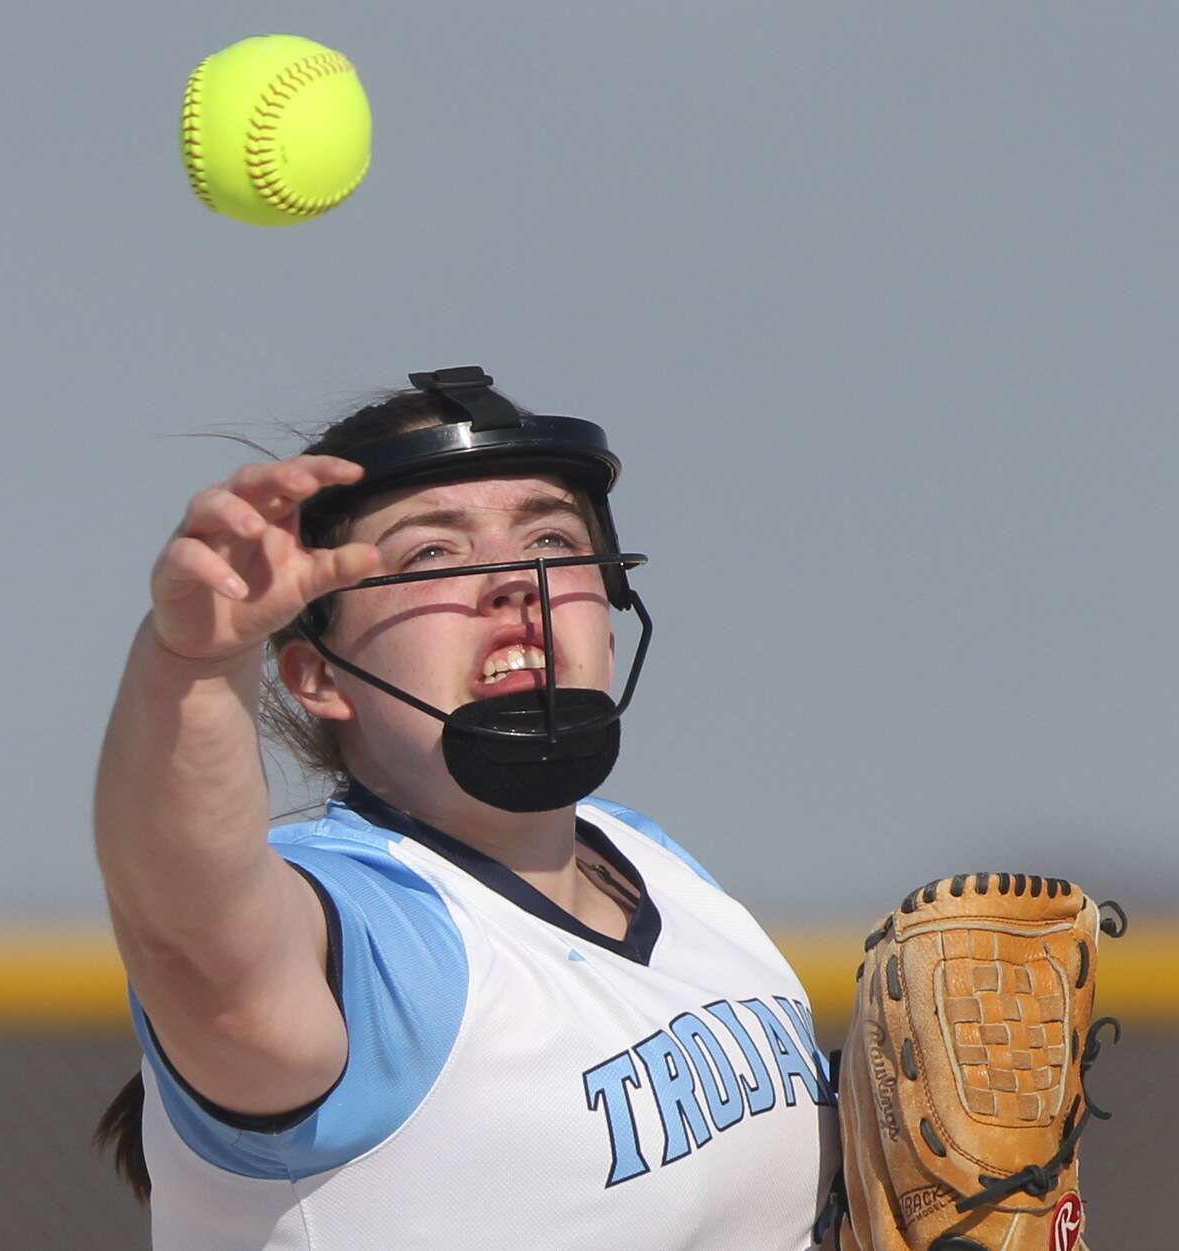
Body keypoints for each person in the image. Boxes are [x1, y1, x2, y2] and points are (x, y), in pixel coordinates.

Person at [93, 366, 840, 1250]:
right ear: (317, 675)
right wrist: (191, 666)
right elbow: (189, 931)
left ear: (608, 613)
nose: (515, 582)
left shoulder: (660, 868)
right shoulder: (369, 932)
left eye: (554, 540)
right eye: (432, 554)